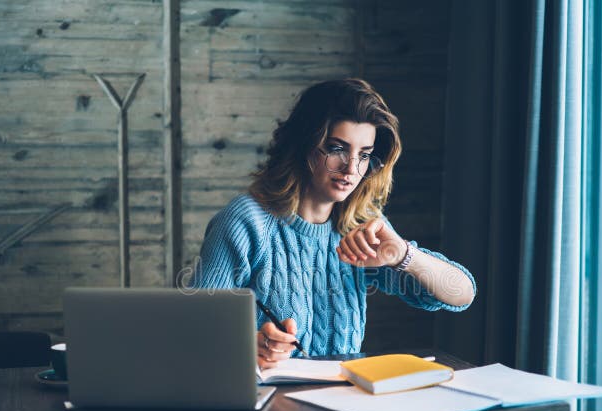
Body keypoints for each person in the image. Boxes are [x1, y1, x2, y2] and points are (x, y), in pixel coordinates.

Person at [190, 78, 475, 368]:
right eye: (337, 149)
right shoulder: (246, 221)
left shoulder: (362, 225)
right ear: (304, 145)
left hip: (344, 390)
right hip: (268, 393)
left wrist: (403, 255)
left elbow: (462, 294)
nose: (351, 169)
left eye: (364, 155)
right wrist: (248, 344)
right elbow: (193, 330)